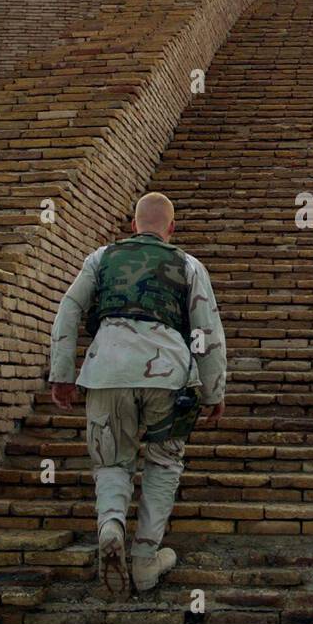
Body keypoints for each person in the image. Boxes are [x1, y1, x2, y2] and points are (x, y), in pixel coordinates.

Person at [48, 192, 226, 593]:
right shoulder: (188, 264)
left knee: (112, 463)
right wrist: (214, 390)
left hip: (106, 371)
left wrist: (62, 372)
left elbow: (68, 309)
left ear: (133, 225)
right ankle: (146, 559)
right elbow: (206, 332)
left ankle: (111, 525)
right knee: (164, 465)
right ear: (171, 229)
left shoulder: (101, 258)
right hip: (170, 377)